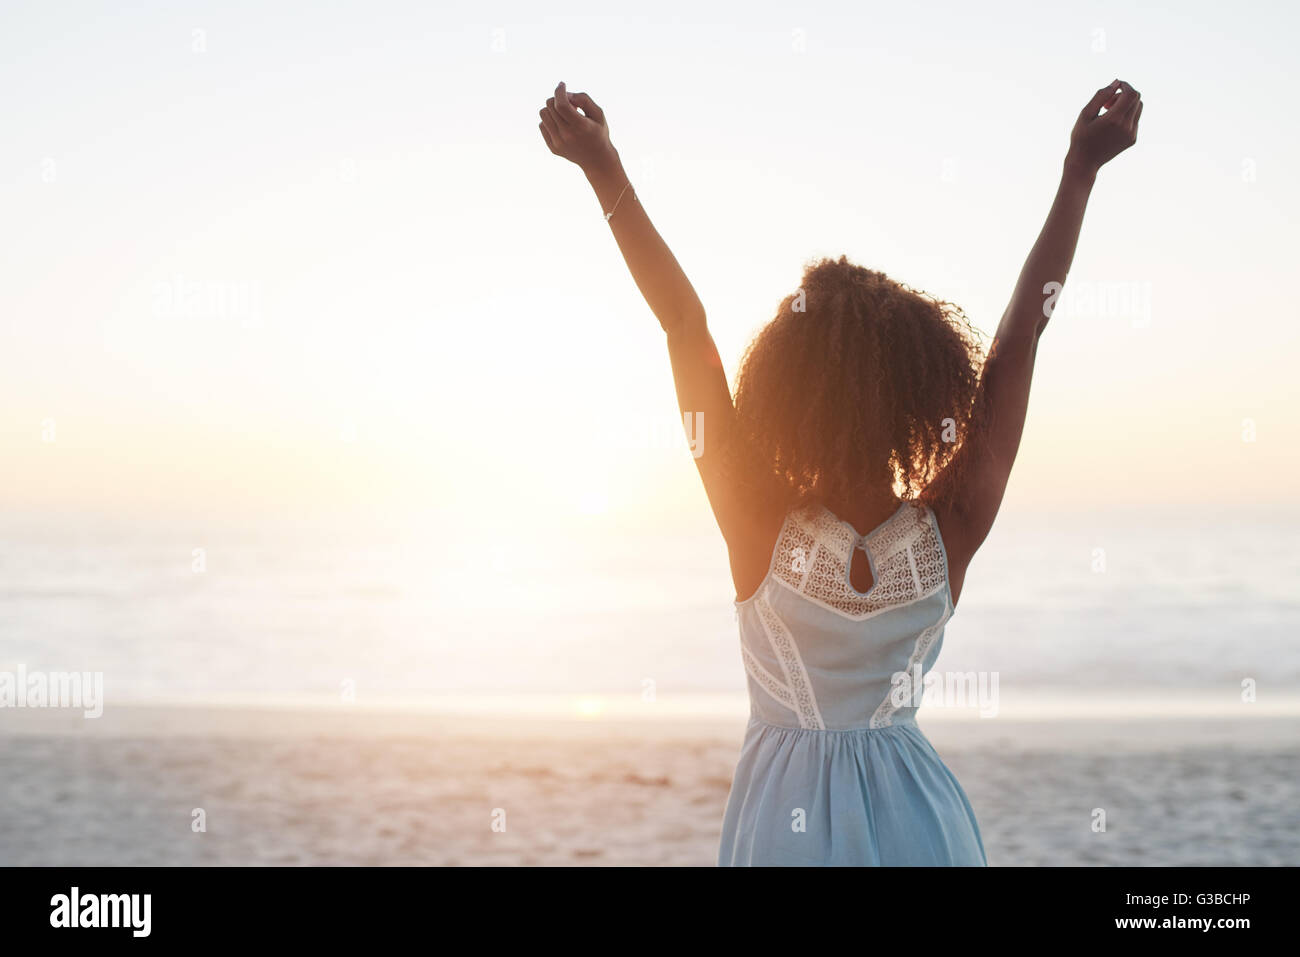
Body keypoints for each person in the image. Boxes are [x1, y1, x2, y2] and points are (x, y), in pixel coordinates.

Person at [539, 78, 1142, 865]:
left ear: (788, 394)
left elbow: (684, 326)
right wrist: (1079, 174)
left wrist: (605, 174)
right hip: (926, 828)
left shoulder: (756, 523)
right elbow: (1019, 341)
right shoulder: (947, 530)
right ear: (918, 397)